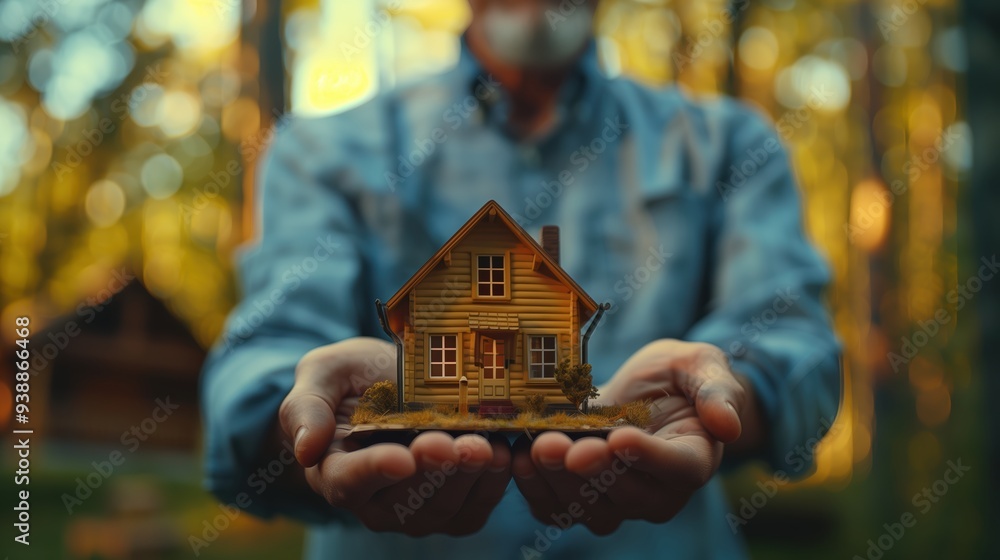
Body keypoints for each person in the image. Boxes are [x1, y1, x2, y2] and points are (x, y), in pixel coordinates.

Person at [200, 0, 841, 558]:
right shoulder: (322, 150)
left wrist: (723, 397)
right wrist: (308, 422)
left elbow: (796, 346)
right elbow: (257, 368)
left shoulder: (728, 143)